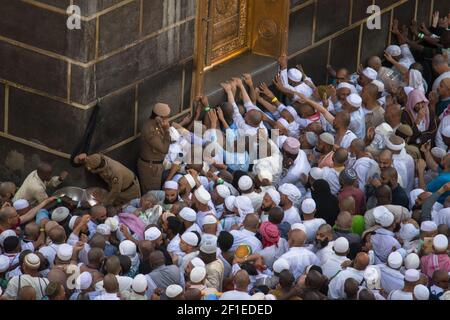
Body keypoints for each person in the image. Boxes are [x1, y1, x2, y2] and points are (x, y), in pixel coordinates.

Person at [73, 153, 141, 206]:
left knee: (130, 208)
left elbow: (115, 191)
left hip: (129, 191)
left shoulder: (115, 172)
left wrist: (104, 204)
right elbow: (76, 161)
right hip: (116, 189)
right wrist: (79, 158)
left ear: (98, 169)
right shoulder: (96, 159)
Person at [138, 103, 172, 193]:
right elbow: (164, 149)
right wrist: (167, 131)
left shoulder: (157, 124)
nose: (167, 120)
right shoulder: (150, 130)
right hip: (150, 169)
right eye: (165, 117)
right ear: (158, 117)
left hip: (155, 166)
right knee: (151, 195)